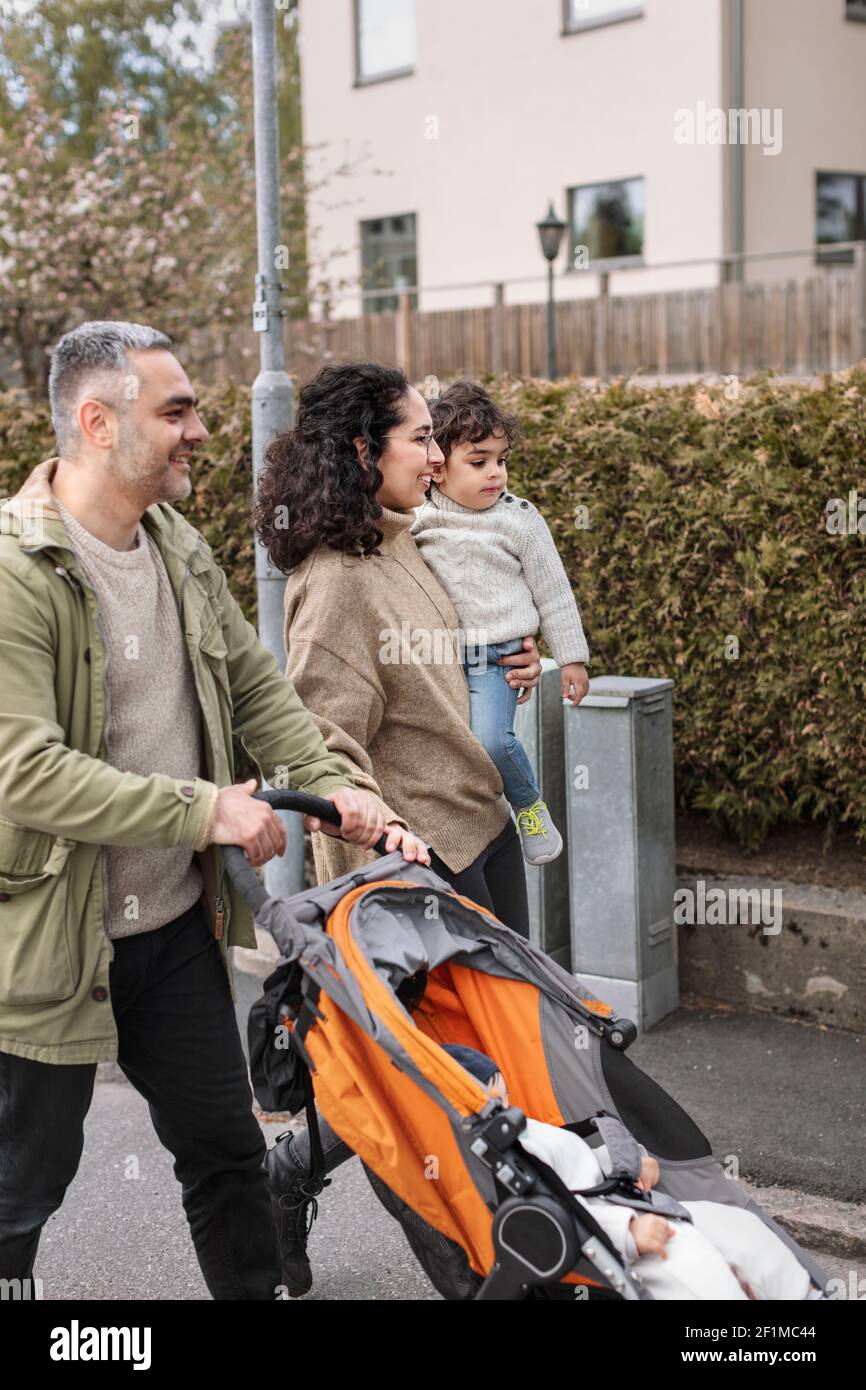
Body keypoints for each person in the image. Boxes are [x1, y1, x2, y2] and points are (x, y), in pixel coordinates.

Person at [0, 321, 393, 1301]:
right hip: (51, 940)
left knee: (225, 1160)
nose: (200, 430)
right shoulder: (16, 573)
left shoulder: (173, 542)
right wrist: (202, 810)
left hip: (171, 931)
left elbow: (255, 686)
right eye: (175, 411)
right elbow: (27, 772)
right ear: (97, 422)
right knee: (19, 1197)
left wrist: (337, 790)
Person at [255, 360, 544, 1295]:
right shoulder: (336, 581)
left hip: (481, 831)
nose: (436, 452)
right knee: (437, 1090)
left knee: (494, 1063)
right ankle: (491, 1271)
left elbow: (447, 659)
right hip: (416, 869)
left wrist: (515, 654)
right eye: (419, 437)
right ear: (360, 450)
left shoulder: (410, 539)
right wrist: (375, 878)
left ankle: (293, 1166)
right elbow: (318, 745)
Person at [442, 1044, 821, 1301]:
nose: (507, 1105)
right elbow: (552, 1209)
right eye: (497, 1098)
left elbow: (579, 1162)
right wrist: (626, 1232)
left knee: (741, 1230)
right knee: (701, 1276)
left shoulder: (525, 1130)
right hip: (608, 1233)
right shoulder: (497, 1158)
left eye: (506, 1095)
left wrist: (629, 1160)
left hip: (631, 1202)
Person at [412, 380, 591, 865]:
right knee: (457, 750)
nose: (496, 473)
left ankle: (529, 805)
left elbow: (554, 592)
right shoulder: (418, 520)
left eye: (502, 460)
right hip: (442, 658)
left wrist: (571, 659)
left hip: (499, 659)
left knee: (492, 741)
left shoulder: (521, 520)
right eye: (479, 462)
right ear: (438, 468)